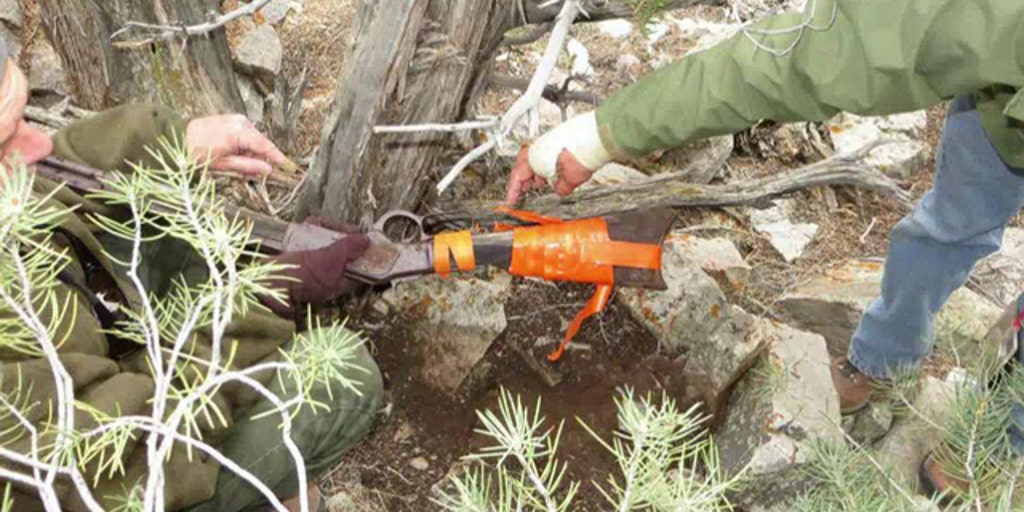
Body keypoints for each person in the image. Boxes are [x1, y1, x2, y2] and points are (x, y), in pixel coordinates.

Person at [505, 0, 1024, 495]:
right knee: (944, 231)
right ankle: (884, 359)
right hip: (1004, 118)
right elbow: (804, 60)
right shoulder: (991, 19)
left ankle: (1003, 437)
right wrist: (601, 136)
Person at [0, 36, 381, 512]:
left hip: (98, 419)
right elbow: (130, 461)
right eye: (6, 141)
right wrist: (257, 299)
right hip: (112, 482)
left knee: (156, 232)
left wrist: (169, 142)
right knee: (339, 375)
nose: (39, 143)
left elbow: (56, 167)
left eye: (25, 115)